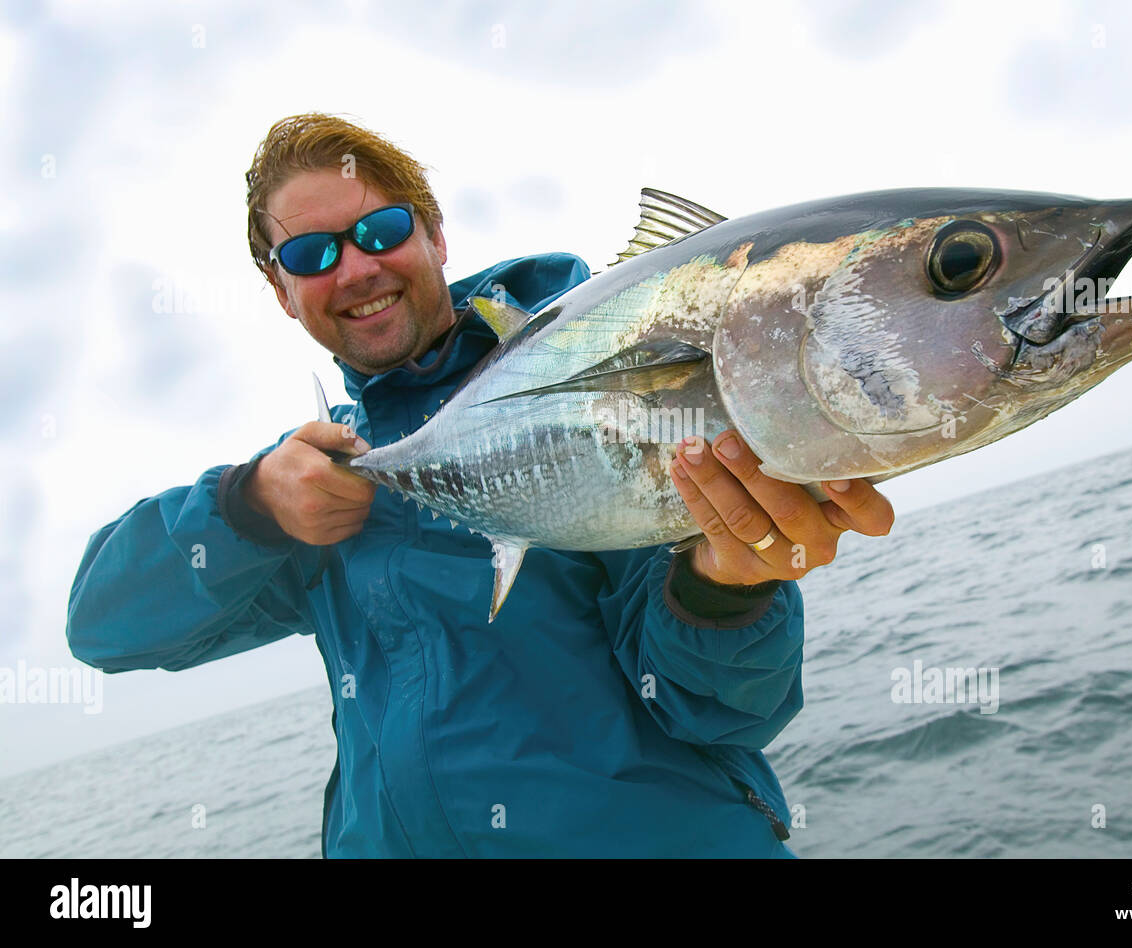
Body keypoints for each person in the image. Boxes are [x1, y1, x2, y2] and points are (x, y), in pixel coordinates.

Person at [66, 113, 894, 858]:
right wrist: (247, 504)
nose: (355, 267)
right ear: (282, 294)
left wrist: (727, 592)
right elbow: (105, 629)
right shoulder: (320, 490)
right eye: (311, 254)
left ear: (436, 239)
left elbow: (723, 714)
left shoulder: (612, 394)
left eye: (382, 230)